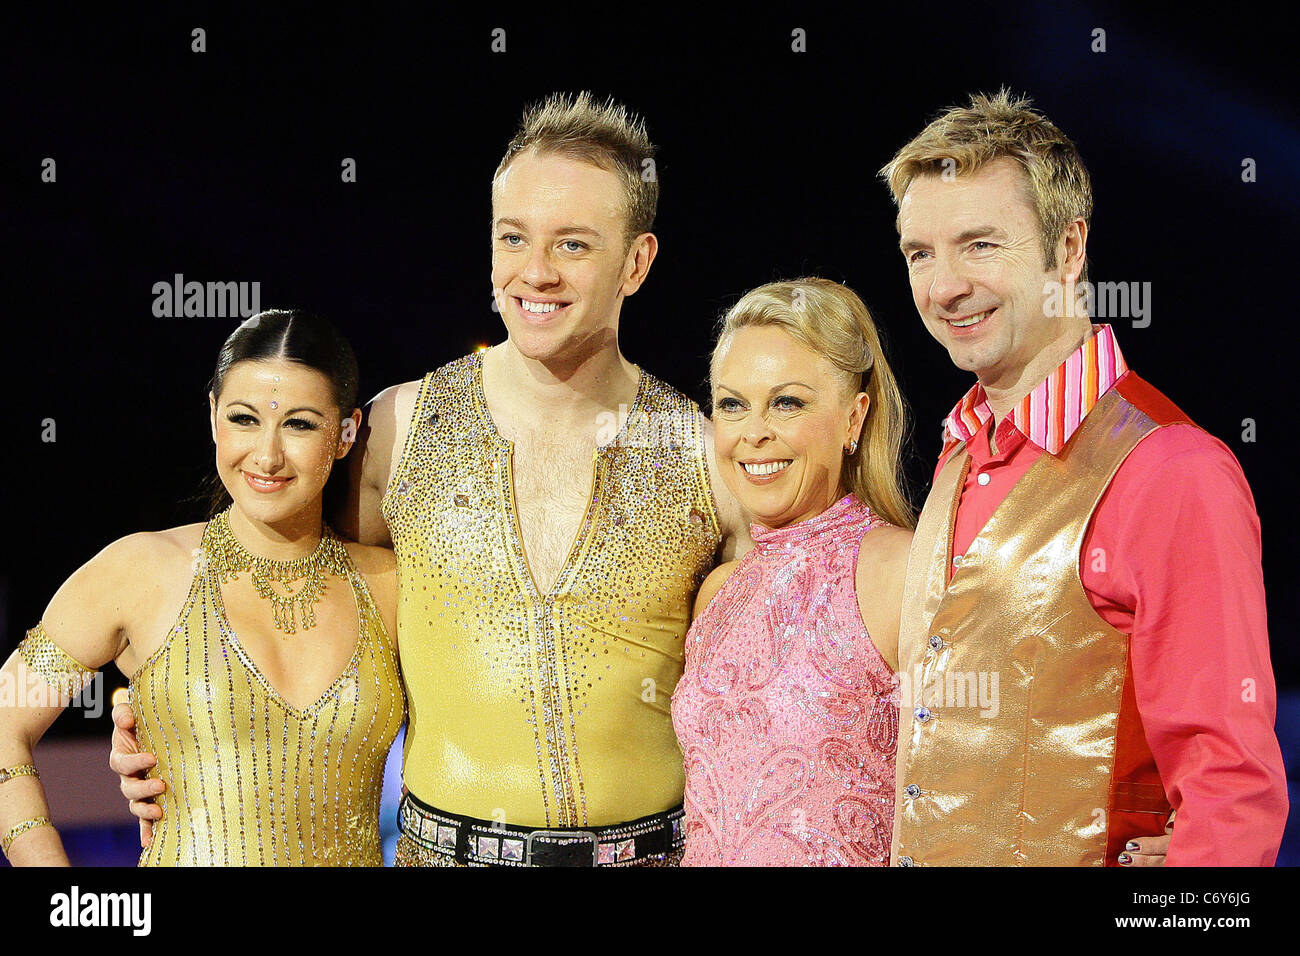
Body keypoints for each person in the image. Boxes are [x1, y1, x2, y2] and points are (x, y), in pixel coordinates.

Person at [114, 93, 750, 866]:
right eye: (513, 238)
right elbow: (292, 597)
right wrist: (161, 712)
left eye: (574, 245)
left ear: (637, 262)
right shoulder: (397, 431)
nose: (536, 272)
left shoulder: (707, 456)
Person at [880, 90, 1288, 866]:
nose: (943, 287)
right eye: (920, 254)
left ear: (1068, 251)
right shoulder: (957, 452)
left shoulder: (1174, 470)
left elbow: (1231, 789)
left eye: (980, 245)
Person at [1, 310, 404, 866]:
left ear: (346, 433)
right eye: (244, 419)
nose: (266, 456)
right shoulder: (141, 571)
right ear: (213, 417)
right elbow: (4, 721)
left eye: (300, 424)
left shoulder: (393, 587)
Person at [672, 278, 915, 866]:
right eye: (732, 404)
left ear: (854, 418)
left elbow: (981, 787)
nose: (753, 433)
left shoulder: (898, 570)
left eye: (787, 402)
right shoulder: (717, 596)